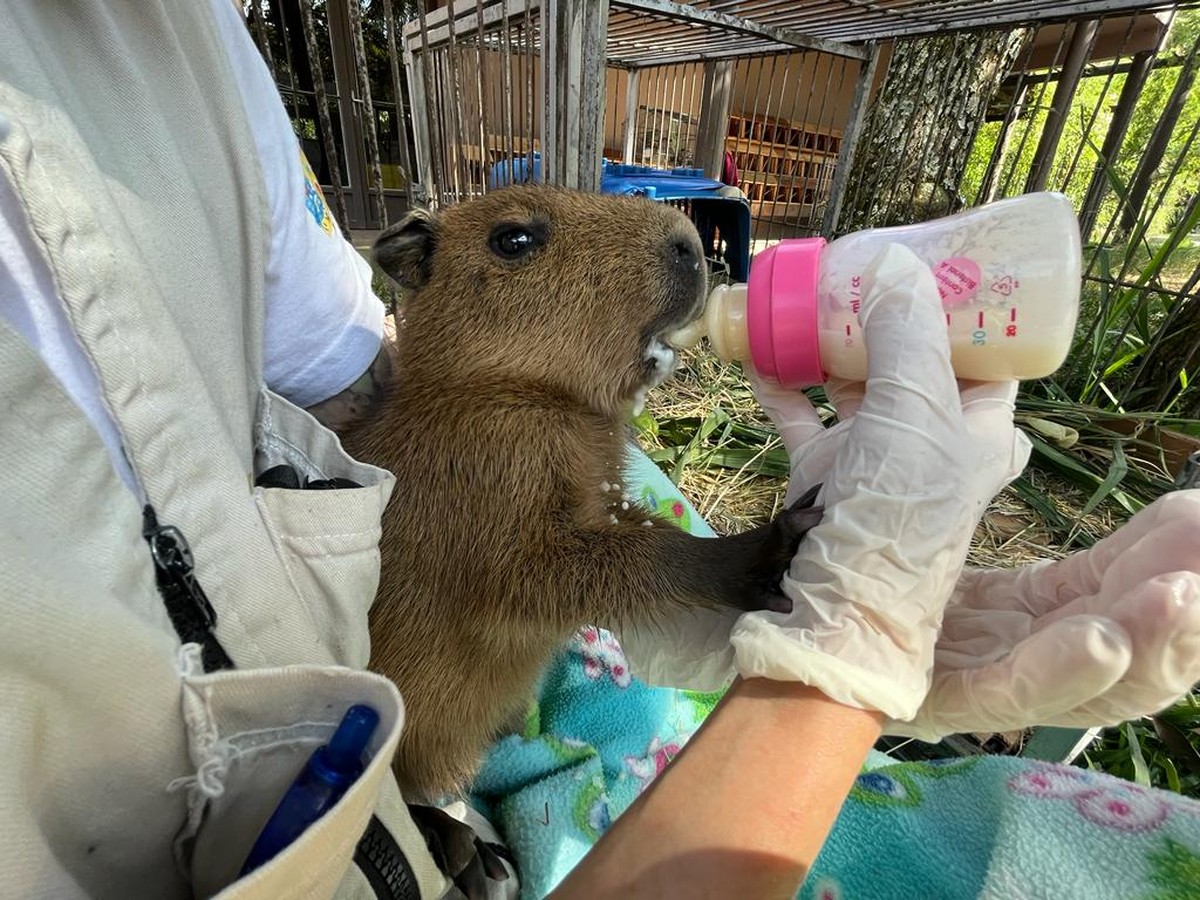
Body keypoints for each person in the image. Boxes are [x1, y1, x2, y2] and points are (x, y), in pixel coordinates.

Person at [1, 3, 1198, 900]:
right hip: (355, 761)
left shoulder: (169, 43)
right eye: (520, 244)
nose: (663, 242)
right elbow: (552, 566)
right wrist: (793, 617)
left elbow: (340, 367)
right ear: (432, 279)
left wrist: (761, 605)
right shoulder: (471, 426)